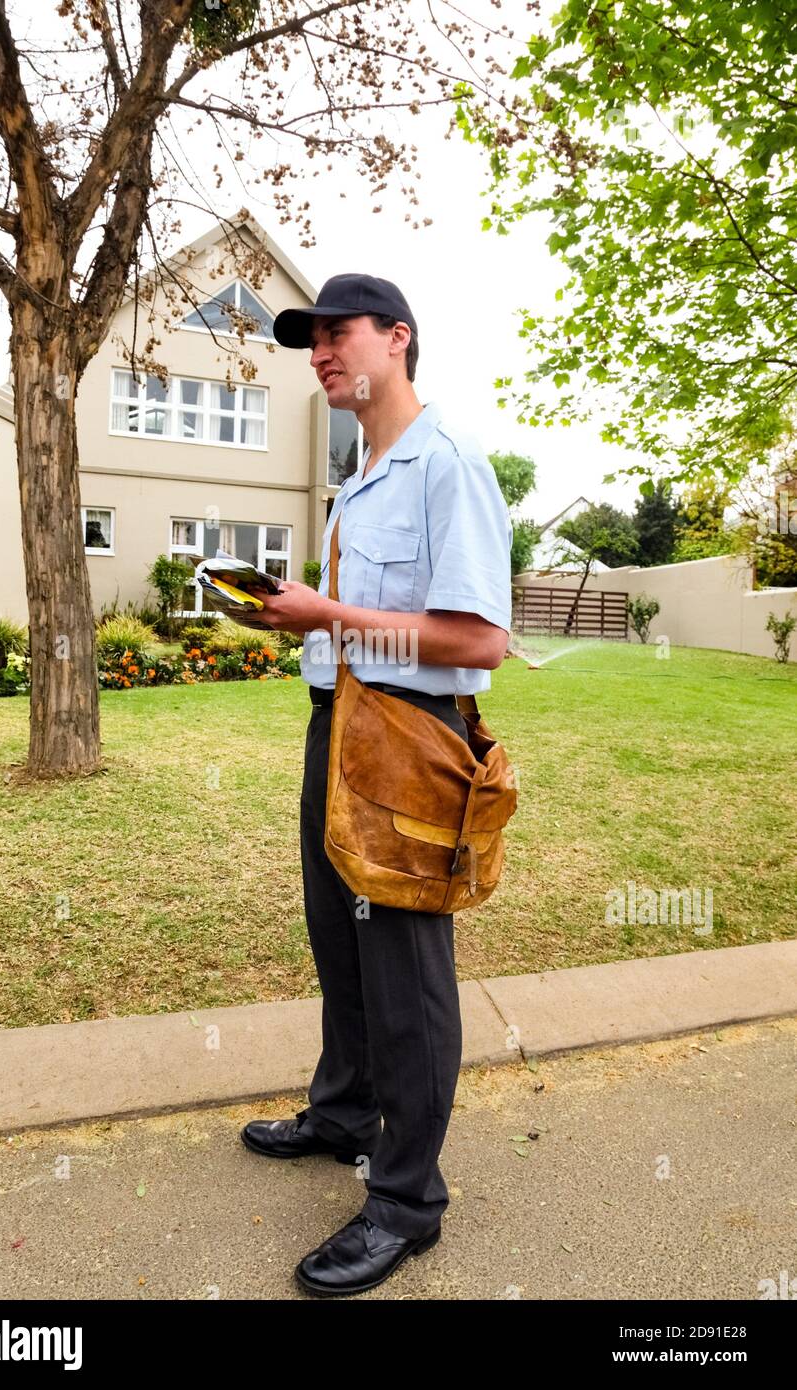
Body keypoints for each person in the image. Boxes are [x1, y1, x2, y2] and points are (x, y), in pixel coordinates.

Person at [239, 273, 513, 1297]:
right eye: (307, 340)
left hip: (407, 739)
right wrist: (302, 619)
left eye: (335, 333)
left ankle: (405, 1200)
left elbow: (480, 637)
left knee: (403, 968)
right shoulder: (362, 472)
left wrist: (327, 618)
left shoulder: (446, 464)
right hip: (340, 729)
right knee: (338, 940)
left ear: (396, 339)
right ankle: (345, 1114)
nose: (317, 352)